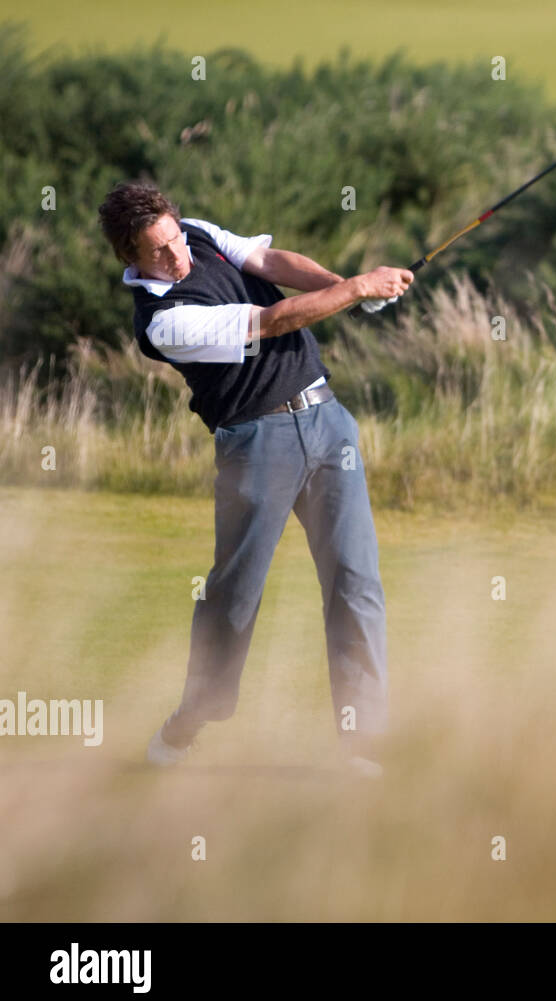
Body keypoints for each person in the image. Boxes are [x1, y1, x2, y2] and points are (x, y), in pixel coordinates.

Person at [97, 181, 412, 777]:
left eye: (174, 237)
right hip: (255, 443)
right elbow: (269, 320)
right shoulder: (161, 322)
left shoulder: (198, 233)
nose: (177, 256)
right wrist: (355, 290)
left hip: (327, 420)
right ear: (129, 257)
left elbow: (268, 263)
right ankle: (191, 718)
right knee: (234, 597)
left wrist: (341, 286)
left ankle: (361, 742)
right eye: (158, 252)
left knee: (356, 581)